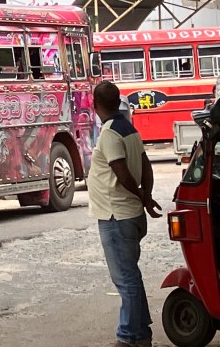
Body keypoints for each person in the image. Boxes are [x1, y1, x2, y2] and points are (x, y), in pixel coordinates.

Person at [88, 81, 162, 347]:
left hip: (115, 216)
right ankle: (141, 335)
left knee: (125, 279)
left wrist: (143, 196)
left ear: (94, 105)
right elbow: (146, 166)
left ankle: (128, 336)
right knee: (132, 275)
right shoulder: (129, 129)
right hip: (130, 215)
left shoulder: (109, 134)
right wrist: (147, 196)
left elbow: (122, 174)